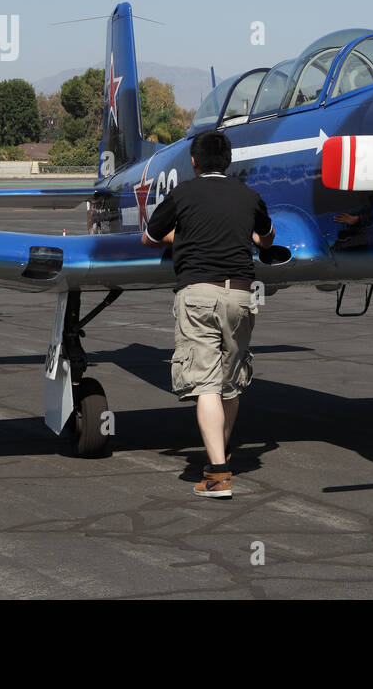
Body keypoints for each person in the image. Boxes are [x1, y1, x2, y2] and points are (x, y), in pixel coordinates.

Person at [141, 131, 273, 499]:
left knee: (206, 385)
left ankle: (218, 475)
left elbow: (150, 237)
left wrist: (184, 238)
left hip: (199, 293)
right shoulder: (249, 196)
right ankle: (222, 452)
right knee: (231, 382)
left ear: (194, 163)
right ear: (229, 162)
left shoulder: (182, 194)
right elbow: (266, 237)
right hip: (242, 295)